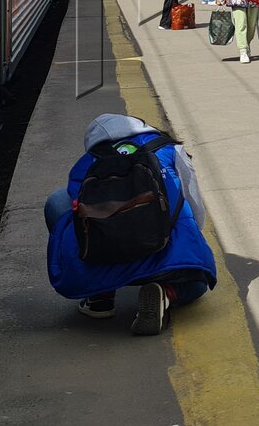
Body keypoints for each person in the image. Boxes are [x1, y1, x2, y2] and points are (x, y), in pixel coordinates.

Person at [44, 114, 216, 335]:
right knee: (197, 283)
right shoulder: (169, 150)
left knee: (57, 201)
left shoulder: (85, 165)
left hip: (105, 255)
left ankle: (100, 297)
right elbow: (196, 210)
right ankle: (166, 292)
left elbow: (81, 217)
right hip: (163, 254)